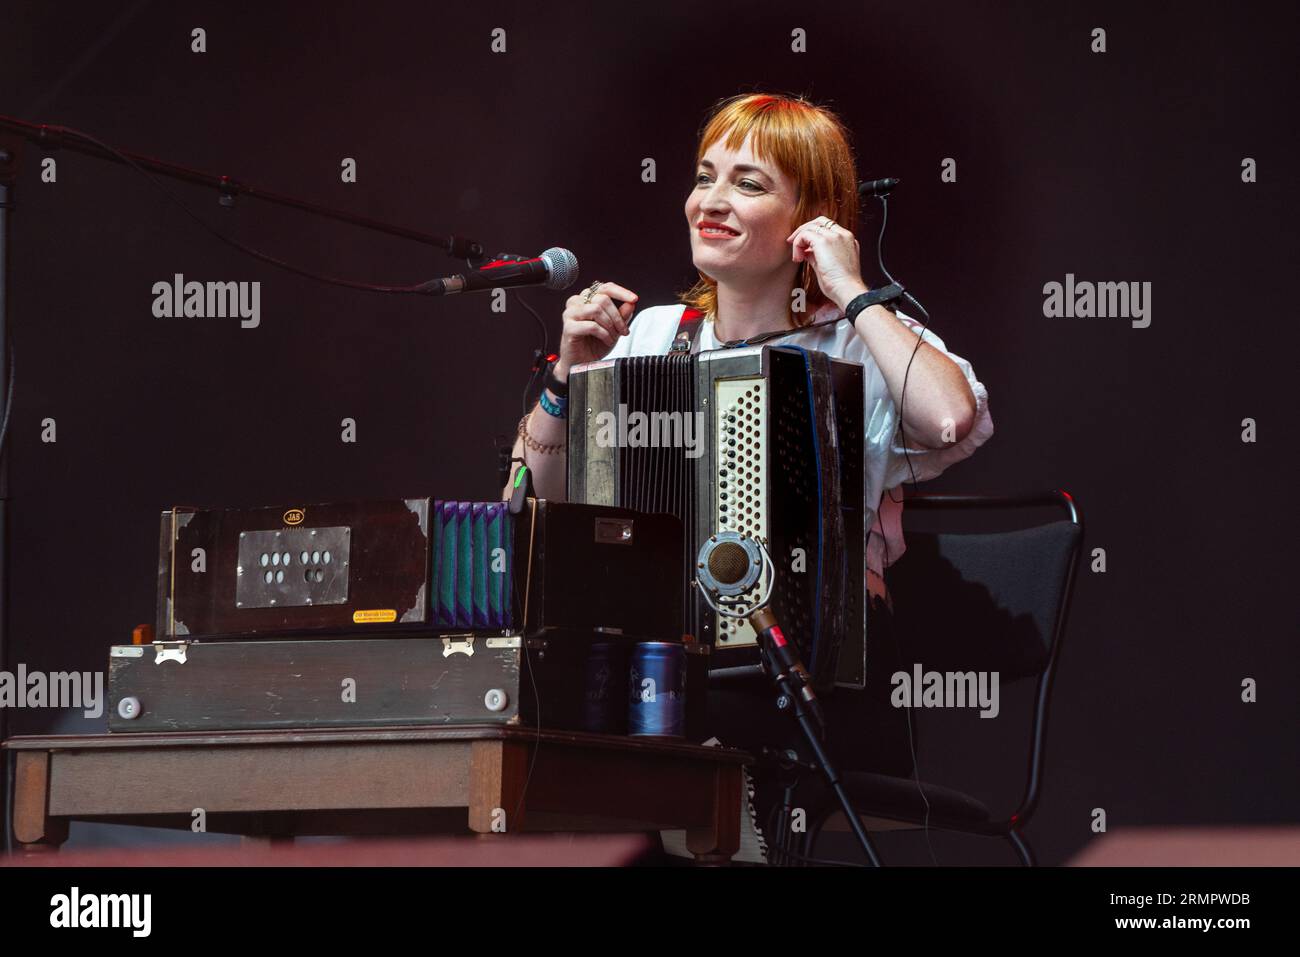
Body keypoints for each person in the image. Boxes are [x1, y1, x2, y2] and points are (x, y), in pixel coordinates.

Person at [503, 91, 994, 856]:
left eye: (749, 183)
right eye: (705, 177)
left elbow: (949, 420)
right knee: (540, 718)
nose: (712, 201)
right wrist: (569, 378)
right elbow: (538, 501)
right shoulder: (654, 334)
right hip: (666, 678)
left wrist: (854, 292)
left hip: (816, 686)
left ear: (813, 219)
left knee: (671, 744)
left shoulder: (862, 341)